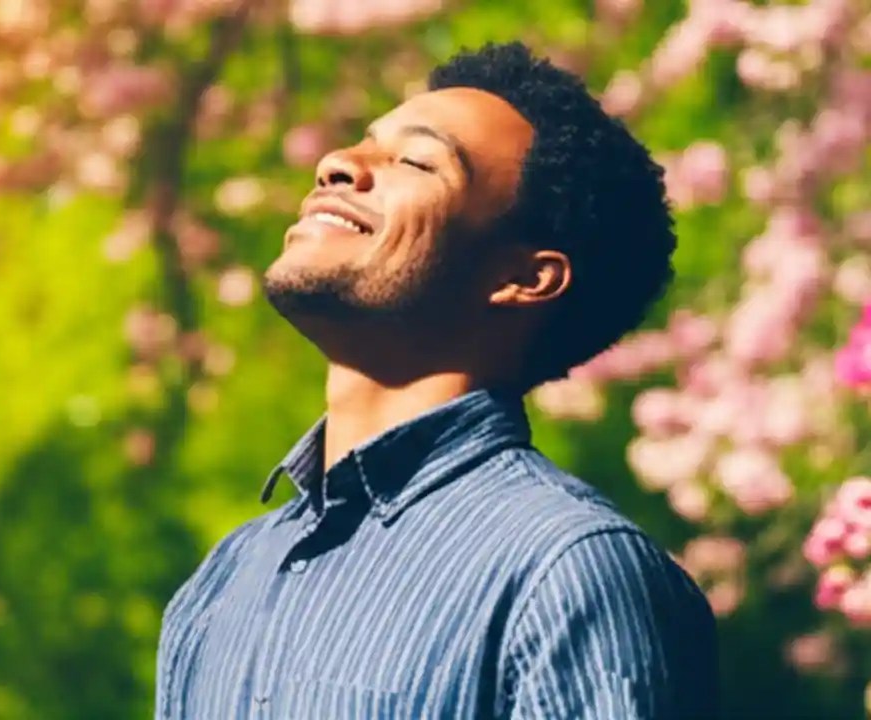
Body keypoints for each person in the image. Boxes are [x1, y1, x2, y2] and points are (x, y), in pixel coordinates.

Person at [154, 41, 718, 719]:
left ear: (524, 278)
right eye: (363, 144)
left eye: (417, 161)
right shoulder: (225, 580)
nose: (337, 165)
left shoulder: (568, 571)